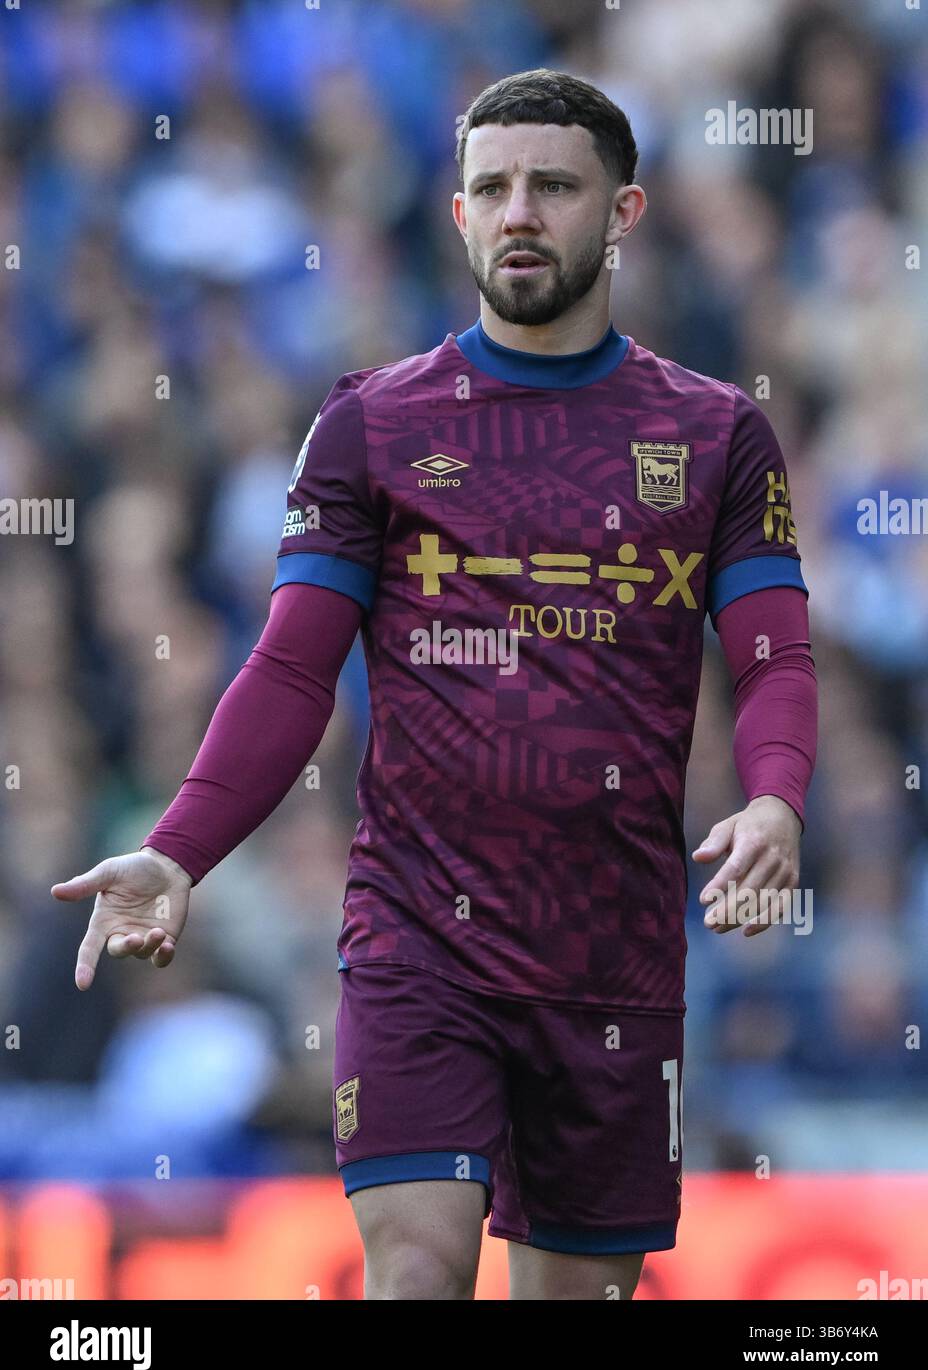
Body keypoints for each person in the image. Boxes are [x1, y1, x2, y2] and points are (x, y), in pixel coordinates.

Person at [52, 69, 817, 1300]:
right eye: (491, 189)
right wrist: (179, 850)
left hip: (611, 956)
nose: (518, 212)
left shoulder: (716, 433)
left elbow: (774, 651)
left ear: (621, 212)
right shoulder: (372, 422)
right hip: (418, 938)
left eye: (552, 187)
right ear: (457, 215)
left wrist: (776, 797)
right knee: (416, 1269)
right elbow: (293, 666)